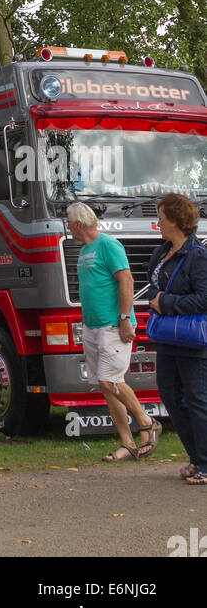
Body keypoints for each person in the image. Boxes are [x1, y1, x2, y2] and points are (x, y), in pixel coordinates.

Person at [67, 202, 161, 461]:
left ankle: (147, 422)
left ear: (78, 224)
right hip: (92, 327)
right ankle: (128, 444)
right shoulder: (85, 250)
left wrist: (124, 319)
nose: (67, 226)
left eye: (68, 222)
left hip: (113, 325)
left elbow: (127, 280)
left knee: (111, 381)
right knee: (105, 386)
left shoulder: (108, 245)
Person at [147, 193, 207, 485]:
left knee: (197, 399)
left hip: (192, 340)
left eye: (160, 216)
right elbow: (152, 286)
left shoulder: (198, 255)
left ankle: (205, 464)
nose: (157, 222)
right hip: (166, 338)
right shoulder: (162, 252)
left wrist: (167, 303)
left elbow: (204, 298)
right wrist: (155, 299)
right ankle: (196, 458)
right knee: (170, 395)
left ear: (174, 219)